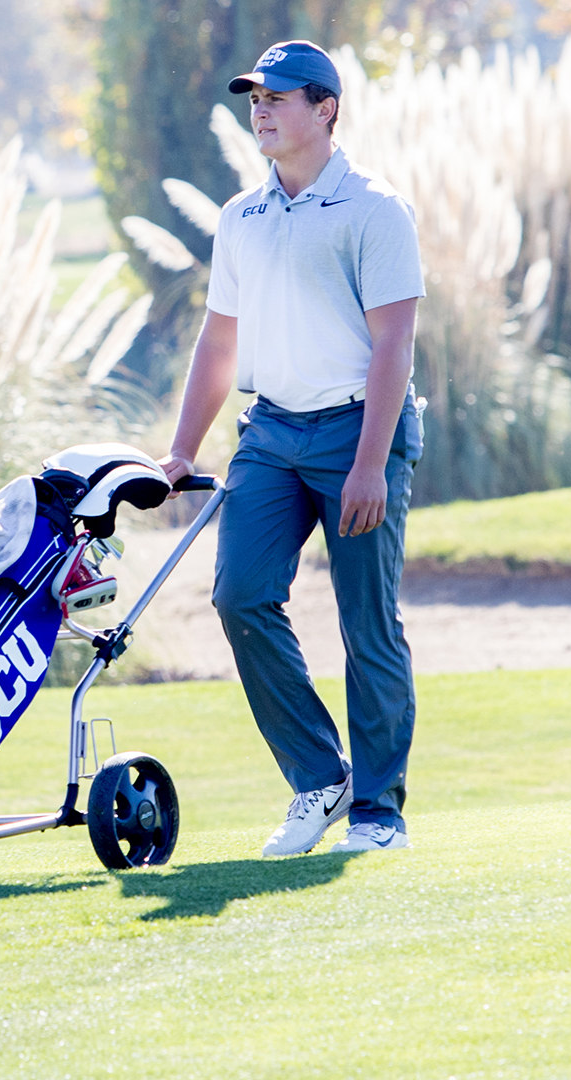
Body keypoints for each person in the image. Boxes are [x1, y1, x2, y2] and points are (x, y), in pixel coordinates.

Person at [158, 40, 425, 856]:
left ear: (327, 108)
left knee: (366, 624)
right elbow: (218, 339)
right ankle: (321, 776)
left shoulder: (375, 209)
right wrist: (178, 450)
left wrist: (372, 462)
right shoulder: (242, 217)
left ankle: (379, 813)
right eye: (254, 98)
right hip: (269, 434)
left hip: (356, 433)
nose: (260, 110)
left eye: (277, 96)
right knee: (240, 595)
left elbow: (394, 345)